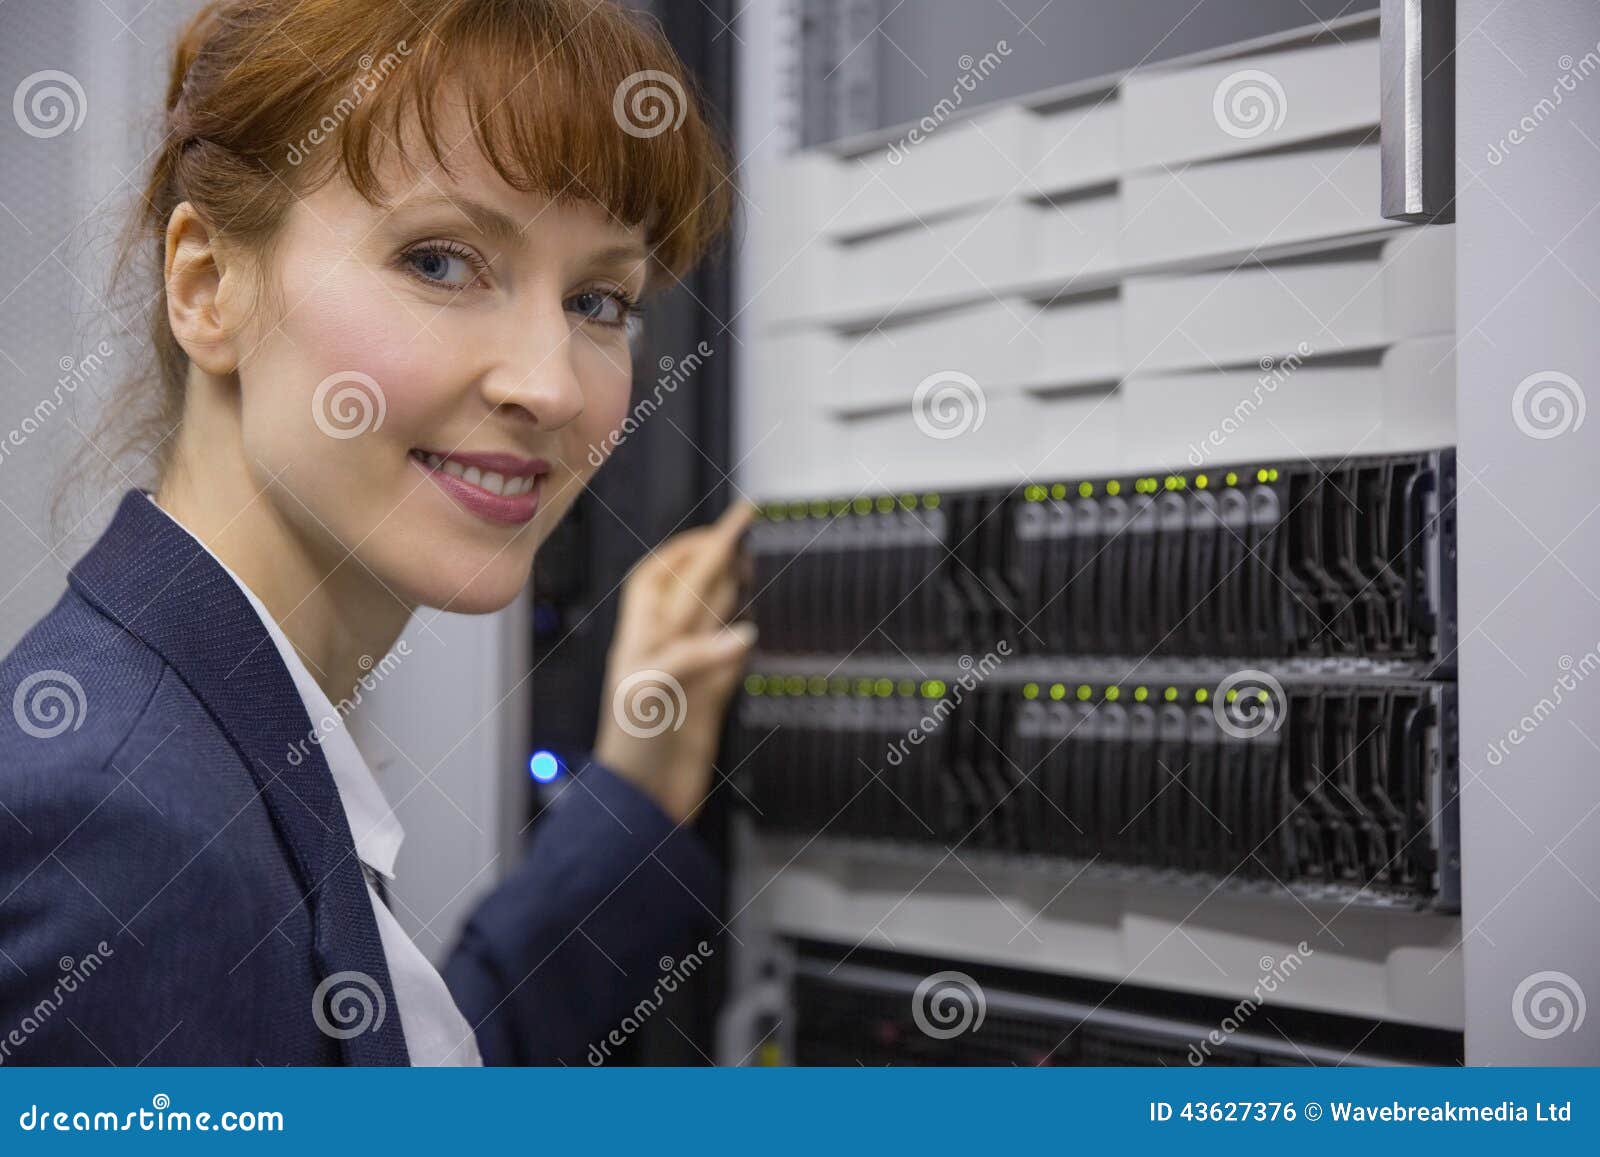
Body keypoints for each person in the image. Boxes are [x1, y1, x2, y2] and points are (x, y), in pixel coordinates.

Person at [0, 0, 753, 1066]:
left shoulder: (214, 739)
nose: (546, 384)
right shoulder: (121, 837)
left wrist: (626, 806)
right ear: (207, 286)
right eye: (441, 262)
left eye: (597, 299)